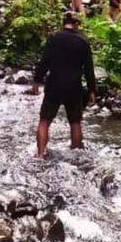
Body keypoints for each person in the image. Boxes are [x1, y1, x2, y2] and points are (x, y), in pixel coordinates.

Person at [32, 12, 96, 158]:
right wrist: (92, 89)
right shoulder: (83, 42)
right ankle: (76, 155)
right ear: (76, 24)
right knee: (75, 122)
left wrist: (37, 79)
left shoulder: (54, 38)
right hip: (73, 87)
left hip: (54, 85)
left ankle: (40, 154)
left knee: (44, 120)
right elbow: (89, 69)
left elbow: (45, 61)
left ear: (63, 23)